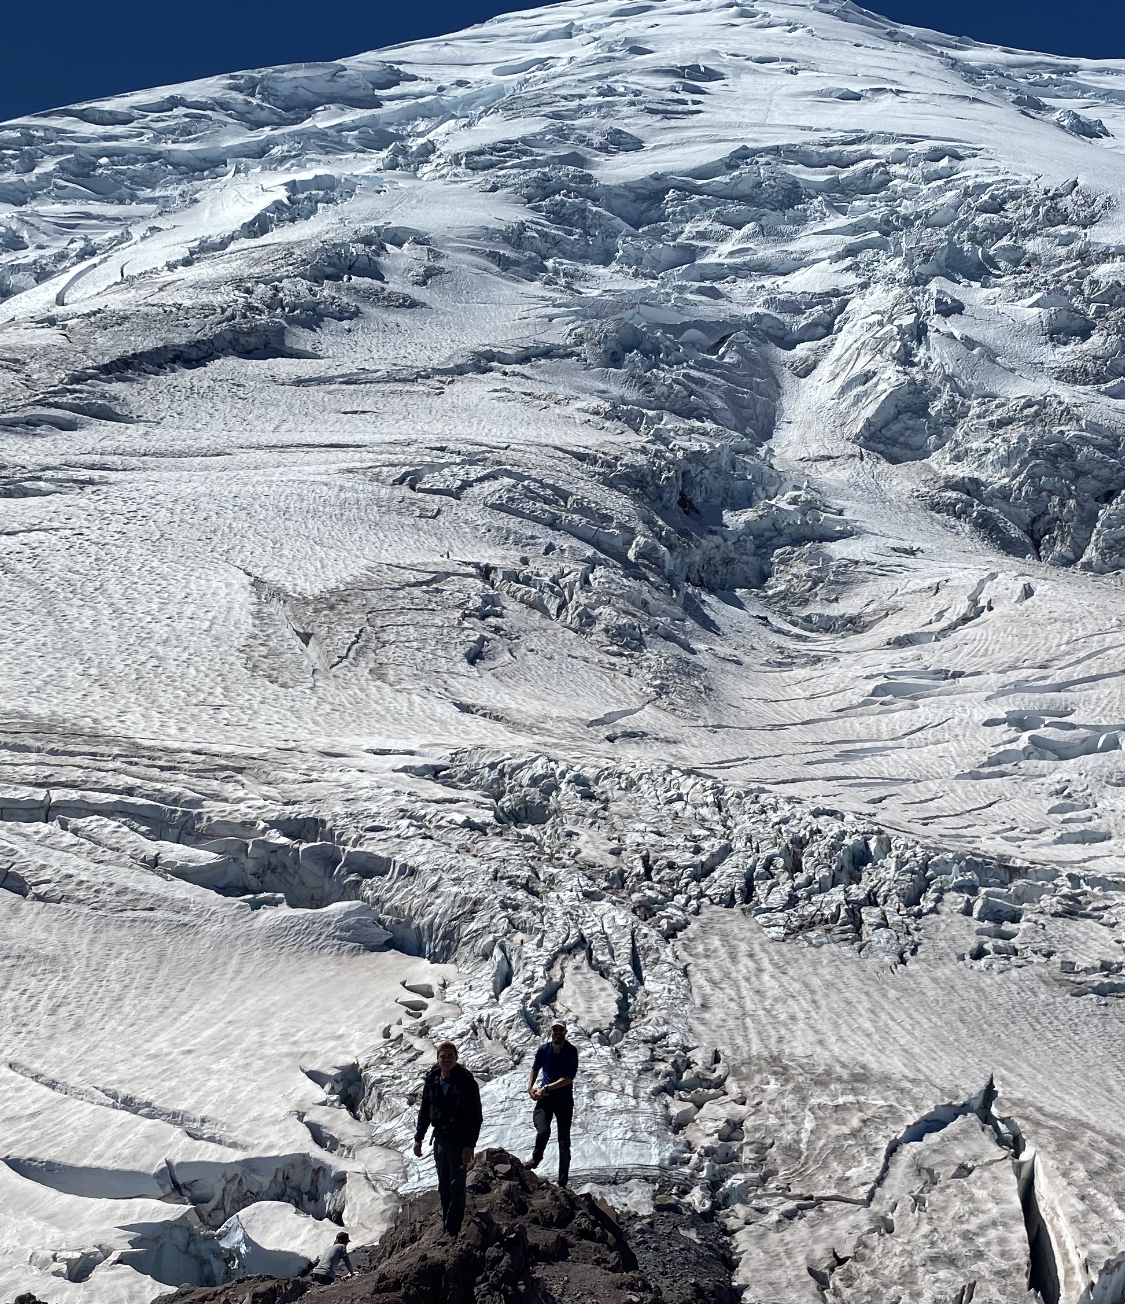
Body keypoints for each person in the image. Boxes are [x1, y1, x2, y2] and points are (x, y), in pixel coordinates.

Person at [412, 1040, 482, 1238]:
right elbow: (425, 1110)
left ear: (456, 1058)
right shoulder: (432, 1080)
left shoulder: (466, 1082)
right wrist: (419, 1138)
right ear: (438, 1059)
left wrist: (470, 1145)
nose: (447, 1059)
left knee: (456, 1185)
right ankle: (446, 1226)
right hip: (441, 1139)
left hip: (459, 1140)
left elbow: (475, 1116)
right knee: (444, 1186)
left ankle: (453, 1230)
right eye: (443, 1056)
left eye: (450, 1056)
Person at [527, 1018, 579, 1186]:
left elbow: (568, 1078)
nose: (558, 1032)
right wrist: (530, 1088)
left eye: (561, 1030)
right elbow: (535, 1068)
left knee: (564, 1141)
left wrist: (546, 1088)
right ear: (551, 1031)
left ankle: (562, 1183)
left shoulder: (571, 1051)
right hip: (546, 1098)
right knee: (543, 1130)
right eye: (555, 1029)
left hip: (563, 1099)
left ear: (565, 1032)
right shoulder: (543, 1050)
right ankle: (536, 1158)